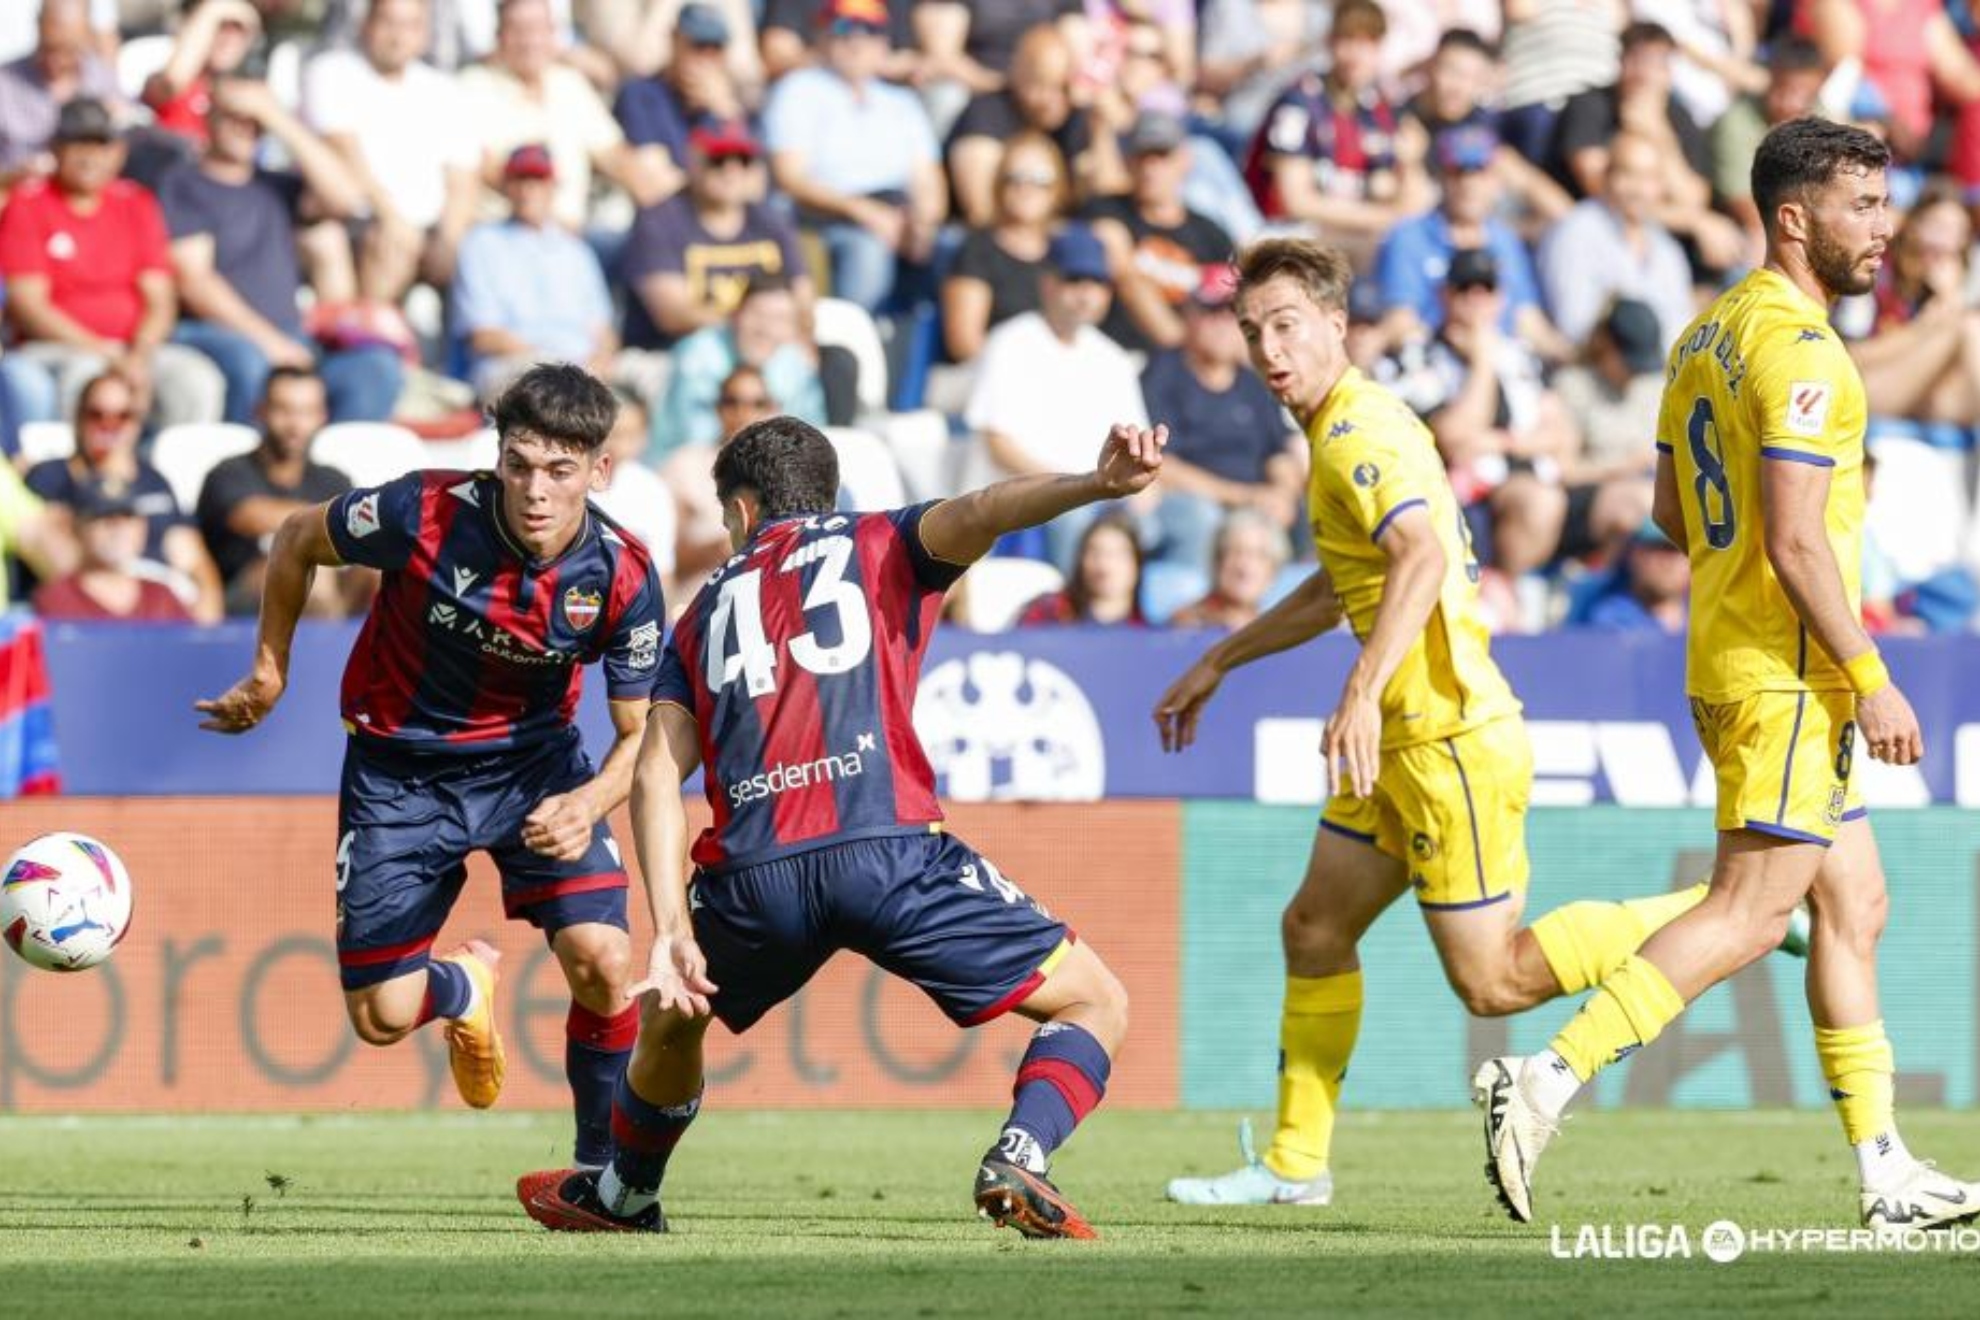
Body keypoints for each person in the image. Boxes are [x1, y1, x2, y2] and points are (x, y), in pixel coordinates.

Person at [1157, 236, 1749, 1209]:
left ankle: (1732, 916)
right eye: (1252, 329)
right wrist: (1223, 656)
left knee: (1496, 985)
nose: (1268, 349)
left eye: (1287, 326)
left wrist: (1359, 689)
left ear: (1338, 326)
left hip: (1447, 746)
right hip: (1401, 746)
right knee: (1313, 929)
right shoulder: (1341, 428)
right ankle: (1298, 1168)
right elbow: (1353, 579)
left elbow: (1421, 557)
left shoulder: (1356, 433)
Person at [1475, 117, 1980, 1230]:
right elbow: (1798, 542)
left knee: (1857, 902)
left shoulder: (1706, 335)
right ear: (1794, 218)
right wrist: (1869, 675)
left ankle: (1886, 1172)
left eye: (1887, 204)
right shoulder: (1804, 353)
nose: (1885, 230)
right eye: (1863, 206)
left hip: (1730, 657)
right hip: (1790, 675)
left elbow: (1668, 510)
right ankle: (1545, 1079)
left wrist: (1748, 585)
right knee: (1754, 914)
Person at [513, 412, 1160, 1238]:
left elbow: (651, 773)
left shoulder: (702, 609)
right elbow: (991, 504)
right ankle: (1021, 1154)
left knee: (674, 1019)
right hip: (887, 852)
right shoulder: (883, 540)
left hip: (754, 877)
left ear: (742, 512)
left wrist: (672, 925)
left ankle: (624, 1194)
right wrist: (1095, 485)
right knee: (1095, 1001)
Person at [194, 364, 667, 1173]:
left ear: (599, 470)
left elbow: (644, 737)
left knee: (604, 960)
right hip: (398, 771)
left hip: (534, 769)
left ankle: (600, 1172)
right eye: (519, 464)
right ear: (497, 458)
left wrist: (587, 804)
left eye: (559, 470)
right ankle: (463, 988)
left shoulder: (622, 573)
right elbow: (297, 538)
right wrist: (272, 669)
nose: (536, 490)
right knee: (381, 1016)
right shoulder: (423, 512)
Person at [0, 97, 227, 433]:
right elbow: (29, 306)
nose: (90, 156)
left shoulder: (136, 203)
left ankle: (158, 478)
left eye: (100, 144)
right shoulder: (29, 203)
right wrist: (108, 356)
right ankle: (77, 480)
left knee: (196, 380)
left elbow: (160, 298)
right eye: (78, 144)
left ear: (118, 152)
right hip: (59, 349)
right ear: (56, 149)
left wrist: (138, 354)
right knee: (86, 382)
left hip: (134, 347)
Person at [27, 369, 224, 622]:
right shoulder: (51, 476)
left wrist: (206, 625)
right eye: (96, 414)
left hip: (163, 604)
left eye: (123, 416)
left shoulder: (155, 480)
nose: (109, 425)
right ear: (77, 418)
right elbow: (47, 547)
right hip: (90, 605)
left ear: (138, 423)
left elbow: (194, 559)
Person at [194, 365, 357, 616]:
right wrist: (336, 518)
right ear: (260, 411)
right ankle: (335, 653)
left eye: (307, 412)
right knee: (308, 570)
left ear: (322, 416)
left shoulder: (334, 480)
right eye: (284, 410)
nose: (295, 424)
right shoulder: (228, 473)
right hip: (241, 607)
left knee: (383, 573)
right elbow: (249, 516)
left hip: (331, 597)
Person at [31, 481, 192, 622]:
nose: (118, 527)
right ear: (77, 528)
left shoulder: (162, 599)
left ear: (143, 527)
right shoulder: (56, 600)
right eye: (103, 516)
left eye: (127, 516)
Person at [1015, 510, 1146, 626]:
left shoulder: (1148, 634)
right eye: (1095, 553)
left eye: (1117, 554)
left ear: (1137, 564)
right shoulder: (1049, 612)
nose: (1105, 565)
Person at [1167, 506, 1290, 629]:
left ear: (1273, 571)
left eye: (1259, 556)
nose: (1245, 566)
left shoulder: (1277, 628)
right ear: (1217, 561)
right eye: (1236, 552)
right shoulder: (1189, 622)